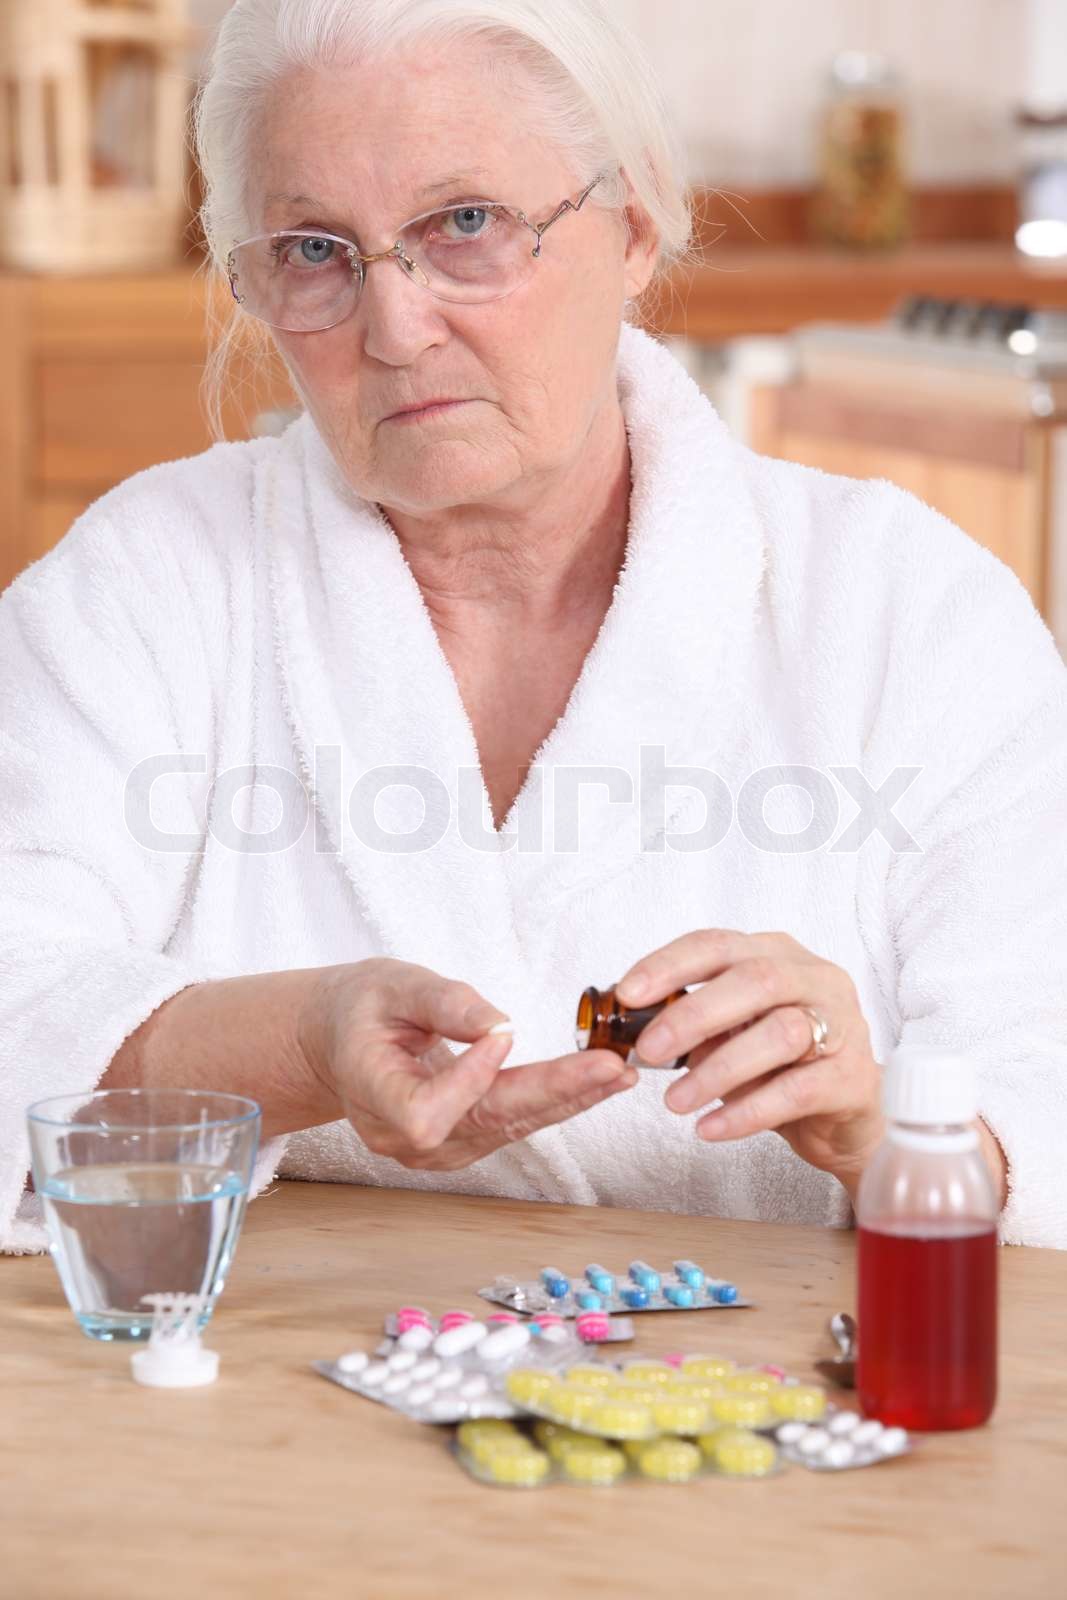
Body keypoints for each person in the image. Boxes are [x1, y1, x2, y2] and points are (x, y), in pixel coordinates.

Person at [2, 0, 1065, 1252]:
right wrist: (296, 1047)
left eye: (466, 226)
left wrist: (872, 1127)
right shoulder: (145, 580)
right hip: (250, 1396)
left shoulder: (910, 613)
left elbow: (1039, 1114)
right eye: (312, 251)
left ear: (634, 223)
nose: (394, 328)